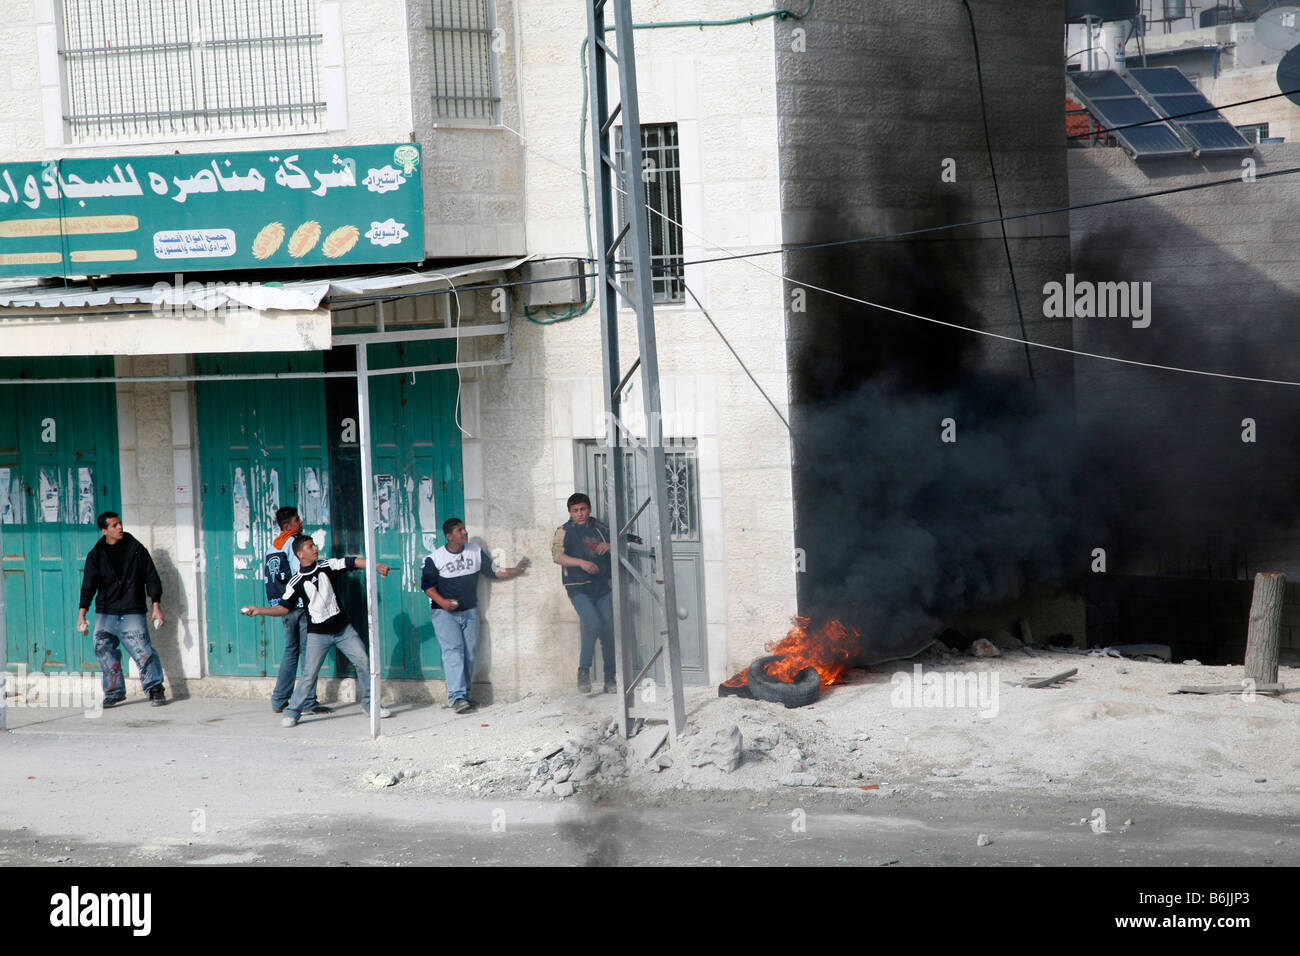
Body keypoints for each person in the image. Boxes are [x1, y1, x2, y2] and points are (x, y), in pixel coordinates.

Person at [241, 537, 392, 727]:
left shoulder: (327, 566)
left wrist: (376, 565)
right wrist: (259, 610)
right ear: (300, 554)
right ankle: (293, 712)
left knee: (363, 662)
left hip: (343, 630)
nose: (315, 548)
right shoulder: (295, 582)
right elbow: (283, 608)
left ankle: (370, 704)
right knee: (308, 675)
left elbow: (351, 561)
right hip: (317, 635)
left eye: (314, 545)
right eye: (310, 546)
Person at [421, 517, 528, 714]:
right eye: (460, 530)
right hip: (444, 613)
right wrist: (444, 602)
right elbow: (427, 586)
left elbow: (494, 571)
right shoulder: (435, 559)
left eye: (465, 529)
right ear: (449, 536)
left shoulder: (475, 551)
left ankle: (465, 694)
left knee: (469, 654)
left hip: (469, 611)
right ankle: (457, 697)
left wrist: (517, 569)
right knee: (453, 652)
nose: (464, 533)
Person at [76, 511, 167, 707]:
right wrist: (82, 613)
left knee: (143, 651)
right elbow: (88, 585)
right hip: (105, 611)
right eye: (114, 525)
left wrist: (156, 606)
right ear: (104, 530)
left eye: (120, 524)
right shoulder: (96, 554)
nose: (120, 528)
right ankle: (114, 692)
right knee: (103, 650)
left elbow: (151, 578)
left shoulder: (136, 549)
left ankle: (155, 689)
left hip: (131, 609)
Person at [263, 505, 330, 716]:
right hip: (300, 605)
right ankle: (308, 702)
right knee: (309, 653)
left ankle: (279, 700)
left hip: (284, 607)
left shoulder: (273, 546)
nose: (300, 522)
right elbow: (302, 570)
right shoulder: (293, 543)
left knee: (291, 651)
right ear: (287, 525)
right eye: (296, 520)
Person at [552, 492, 616, 694]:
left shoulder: (601, 528)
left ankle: (610, 678)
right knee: (593, 623)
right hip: (577, 587)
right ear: (570, 512)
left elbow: (623, 541)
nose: (580, 514)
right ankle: (583, 670)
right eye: (575, 511)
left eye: (583, 509)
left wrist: (611, 545)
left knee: (609, 631)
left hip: (601, 587)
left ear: (589, 509)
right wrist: (581, 563)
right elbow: (557, 556)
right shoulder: (564, 530)